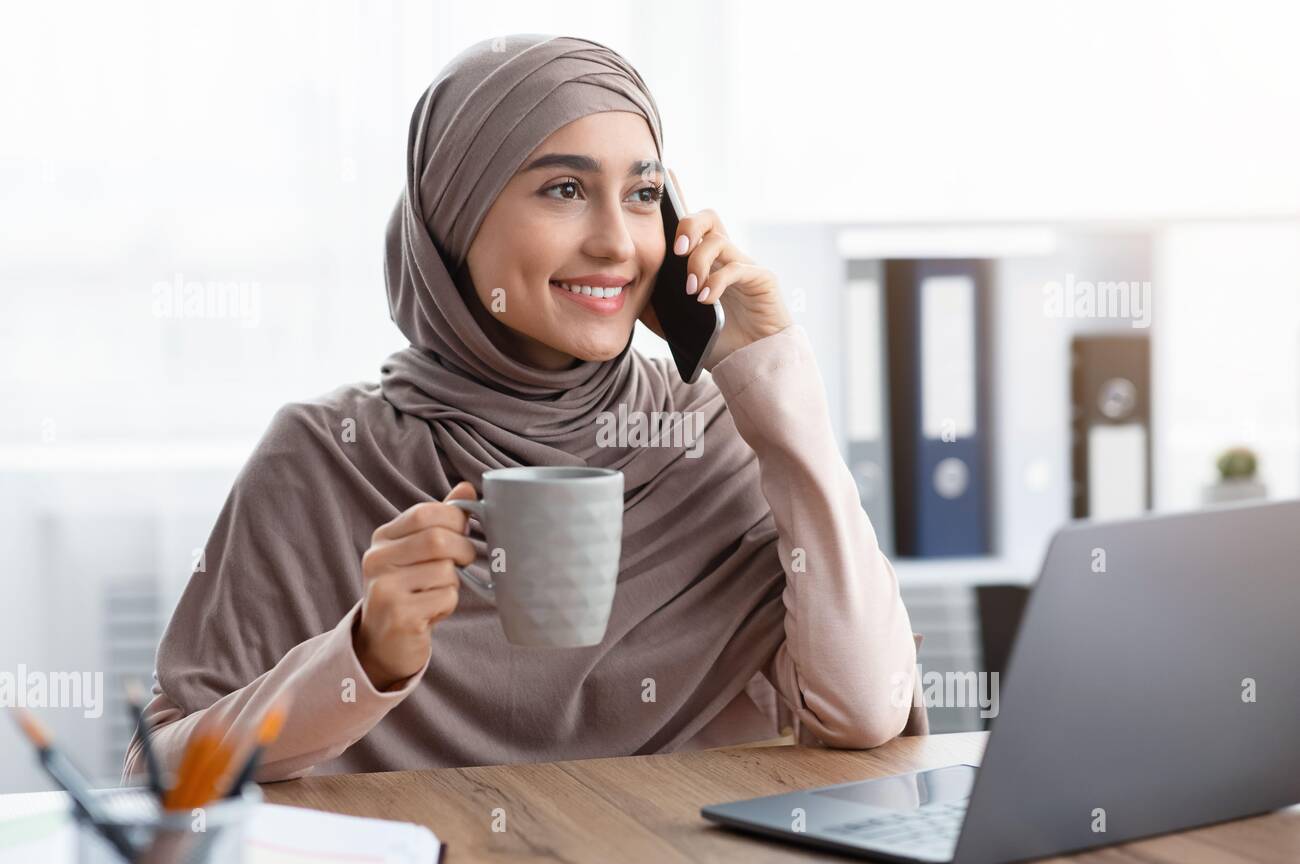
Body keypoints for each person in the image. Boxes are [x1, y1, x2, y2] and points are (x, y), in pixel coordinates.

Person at [123, 34, 925, 785]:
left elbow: (864, 710)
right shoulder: (323, 456)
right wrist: (361, 658)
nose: (618, 242)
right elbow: (165, 773)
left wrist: (775, 383)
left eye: (644, 194)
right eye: (566, 189)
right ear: (453, 215)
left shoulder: (706, 435)